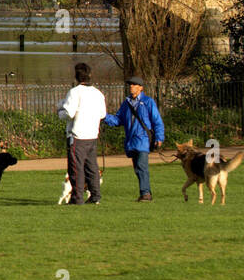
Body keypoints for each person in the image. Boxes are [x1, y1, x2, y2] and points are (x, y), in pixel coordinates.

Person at [104, 76, 165, 202]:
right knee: (137, 168)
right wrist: (103, 116)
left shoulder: (148, 102)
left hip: (142, 140)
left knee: (142, 167)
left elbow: (157, 121)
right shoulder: (126, 103)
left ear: (141, 88)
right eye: (130, 84)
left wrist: (159, 137)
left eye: (134, 84)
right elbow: (118, 120)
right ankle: (144, 193)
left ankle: (146, 193)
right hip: (131, 141)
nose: (131, 86)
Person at [56, 62, 107, 204]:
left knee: (76, 168)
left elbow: (69, 112)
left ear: (76, 76)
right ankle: (95, 195)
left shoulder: (75, 92)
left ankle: (77, 197)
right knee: (92, 168)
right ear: (90, 75)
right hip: (92, 135)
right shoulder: (98, 93)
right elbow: (102, 114)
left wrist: (59, 111)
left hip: (77, 136)